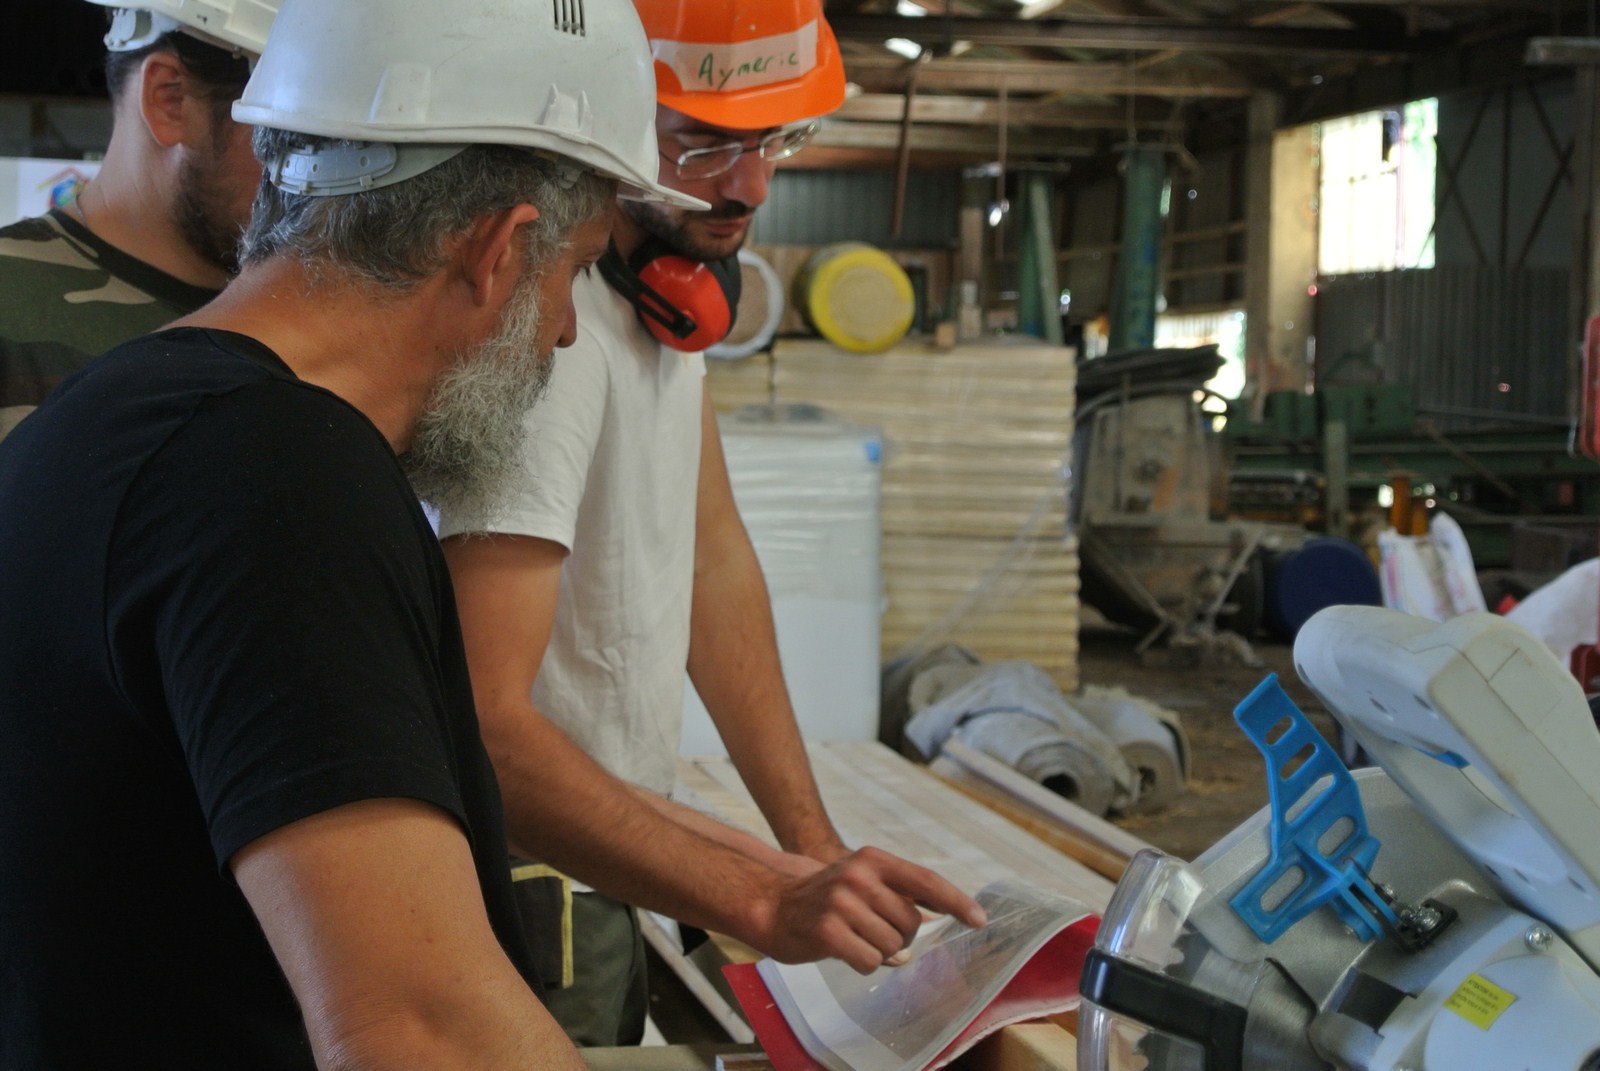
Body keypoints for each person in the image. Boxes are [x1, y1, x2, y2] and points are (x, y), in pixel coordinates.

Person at [0, 0, 709, 1064]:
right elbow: (424, 1030)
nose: (564, 327)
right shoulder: (272, 480)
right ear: (499, 248)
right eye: (571, 271)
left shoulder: (122, 412)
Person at [440, 0, 964, 1046]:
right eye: (708, 145)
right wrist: (759, 892)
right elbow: (482, 725)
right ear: (608, 119)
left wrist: (809, 843)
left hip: (614, 840)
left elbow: (714, 567)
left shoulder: (662, 309)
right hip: (536, 868)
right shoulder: (551, 339)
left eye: (775, 140)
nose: (753, 185)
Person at [0, 0, 273, 439]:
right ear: (171, 100)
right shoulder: (11, 308)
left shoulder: (315, 320)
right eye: (291, 135)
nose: (320, 173)